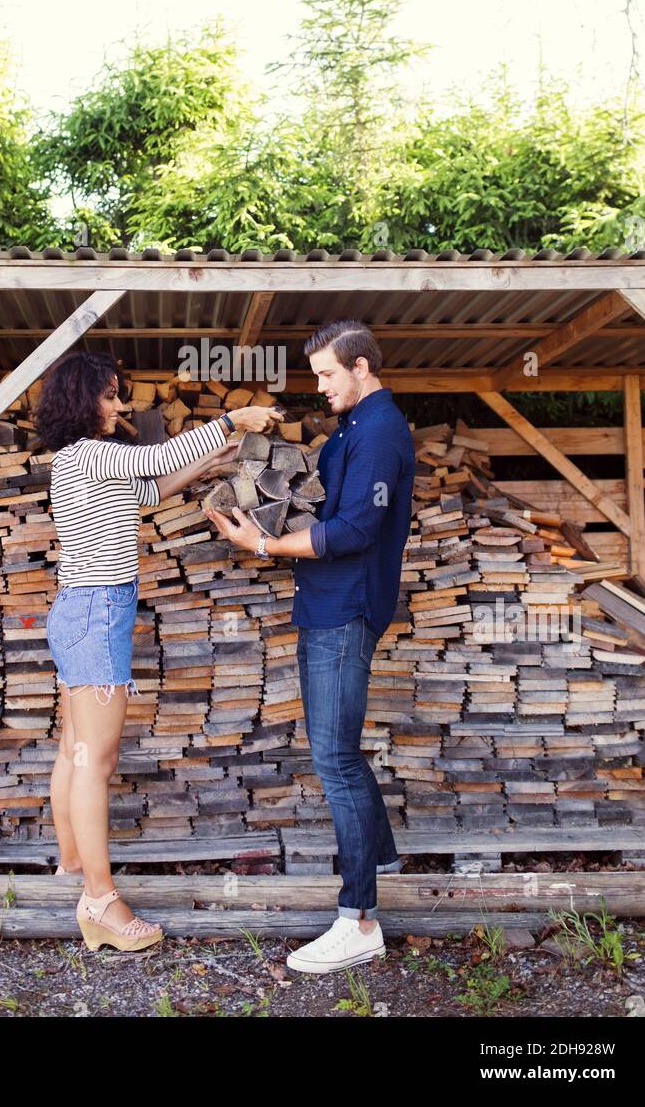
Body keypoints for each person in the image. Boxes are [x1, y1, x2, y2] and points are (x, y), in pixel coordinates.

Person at [35, 350, 283, 953]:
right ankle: (100, 901)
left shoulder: (79, 461)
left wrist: (207, 464)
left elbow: (145, 492)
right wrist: (233, 421)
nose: (120, 405)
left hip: (83, 609)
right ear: (83, 398)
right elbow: (154, 458)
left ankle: (73, 868)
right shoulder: (94, 452)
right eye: (111, 394)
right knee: (97, 755)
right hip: (97, 613)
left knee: (76, 748)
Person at [205, 320, 416, 974]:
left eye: (327, 373)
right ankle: (378, 861)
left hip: (346, 609)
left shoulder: (380, 430)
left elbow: (353, 529)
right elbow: (319, 504)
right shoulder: (353, 428)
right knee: (341, 755)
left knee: (335, 762)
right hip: (323, 604)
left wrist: (262, 546)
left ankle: (358, 919)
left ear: (360, 366)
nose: (320, 386)